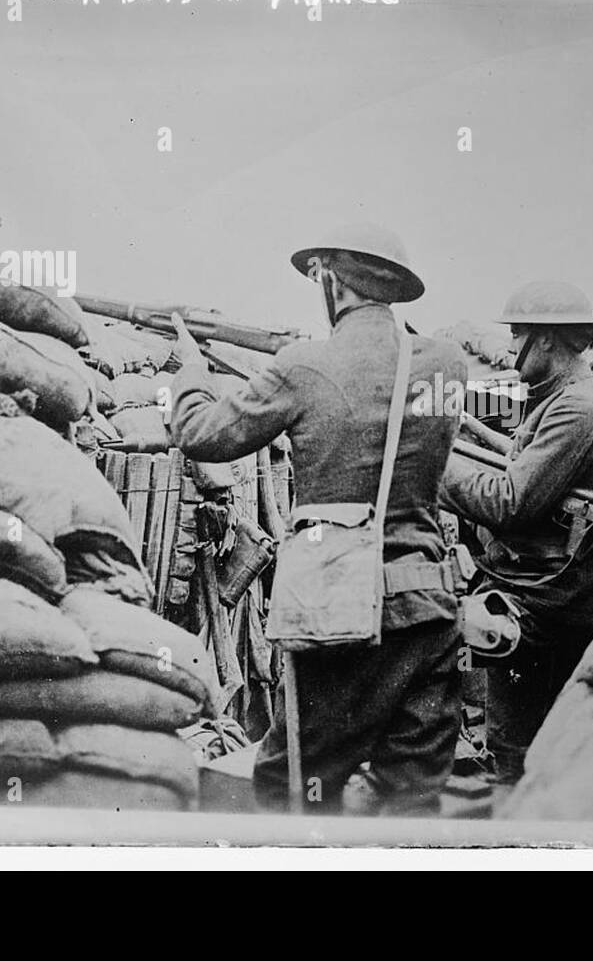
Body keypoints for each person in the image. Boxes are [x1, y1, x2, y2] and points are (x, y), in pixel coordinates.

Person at [167, 222, 470, 817]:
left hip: (342, 614)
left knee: (295, 789)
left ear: (332, 280)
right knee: (412, 799)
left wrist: (190, 371)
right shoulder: (447, 364)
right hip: (432, 607)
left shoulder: (302, 365)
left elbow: (198, 434)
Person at [439, 280, 593, 792]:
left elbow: (510, 500)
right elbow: (524, 467)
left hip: (549, 606)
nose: (511, 345)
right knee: (523, 747)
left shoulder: (580, 410)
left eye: (518, 332)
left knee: (519, 753)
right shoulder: (563, 402)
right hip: (543, 595)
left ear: (546, 340)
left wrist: (431, 468)